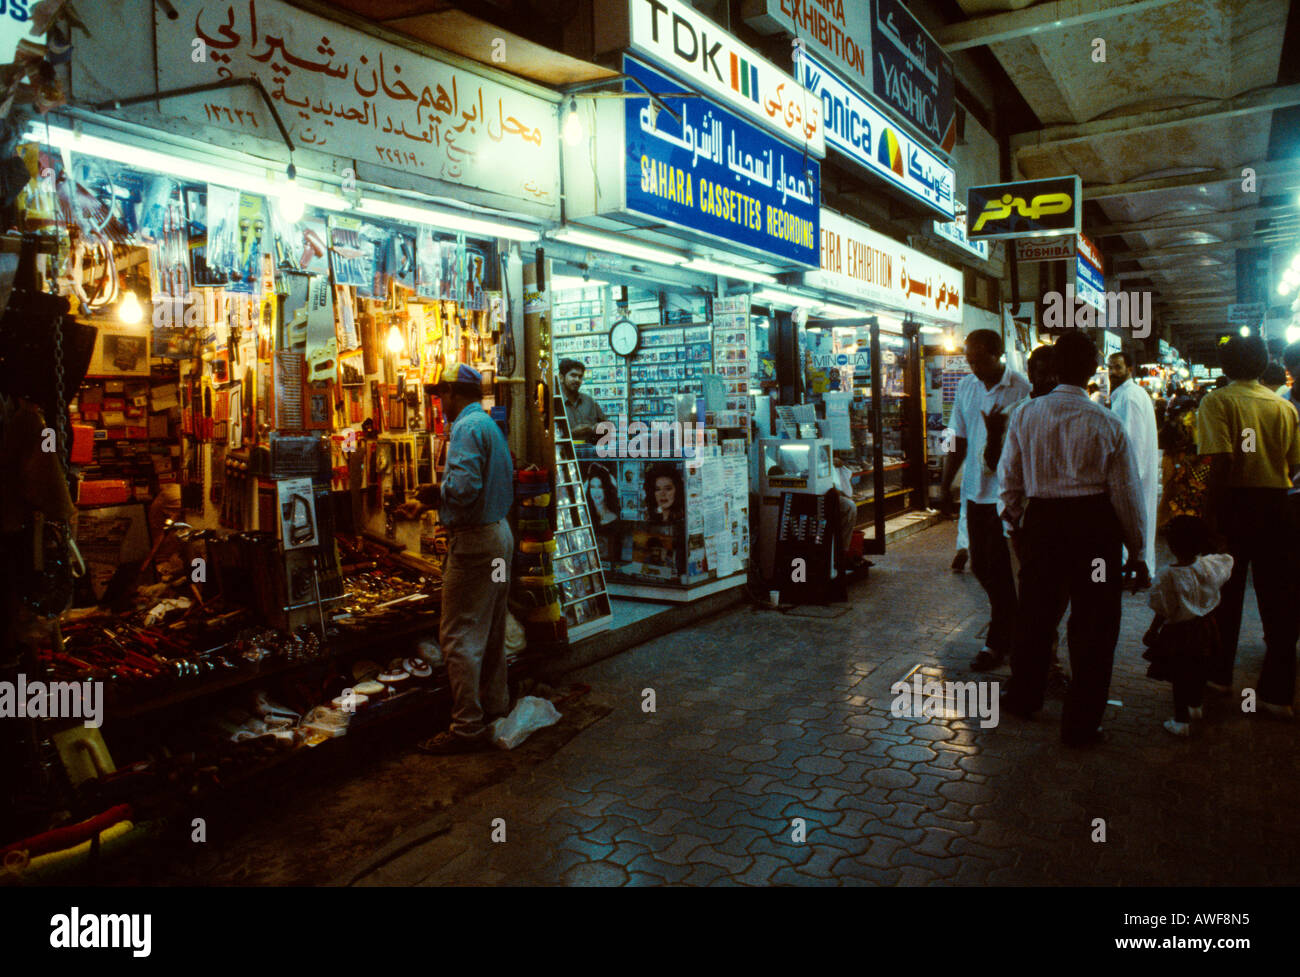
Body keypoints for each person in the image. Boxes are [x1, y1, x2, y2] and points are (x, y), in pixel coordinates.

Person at [998, 332, 1150, 747]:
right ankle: (1081, 724)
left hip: (1044, 527)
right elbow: (1126, 495)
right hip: (1094, 535)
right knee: (1095, 626)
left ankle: (1025, 698)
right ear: (1093, 369)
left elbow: (1009, 478)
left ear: (1053, 368)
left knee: (1035, 616)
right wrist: (1137, 550)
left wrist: (1015, 521)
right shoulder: (1107, 422)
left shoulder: (1026, 415)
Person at [397, 363, 514, 753]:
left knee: (459, 636)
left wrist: (438, 495)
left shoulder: (465, 428)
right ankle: (496, 708)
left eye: (440, 394)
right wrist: (436, 494)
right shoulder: (488, 425)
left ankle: (466, 728)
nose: (438, 402)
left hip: (476, 543)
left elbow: (464, 490)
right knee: (492, 631)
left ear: (452, 393)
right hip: (498, 536)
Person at [1196, 335, 1300, 716]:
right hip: (1277, 507)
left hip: (1234, 505)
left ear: (1224, 367)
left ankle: (1219, 676)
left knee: (1224, 597)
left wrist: (1210, 517)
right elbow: (1294, 463)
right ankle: (1276, 694)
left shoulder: (1217, 401)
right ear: (1263, 365)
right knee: (1281, 602)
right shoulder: (1283, 407)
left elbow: (1220, 464)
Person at [939, 329, 1031, 672]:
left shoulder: (1021, 388)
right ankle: (1007, 624)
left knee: (1003, 571)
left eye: (979, 360)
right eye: (970, 360)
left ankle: (998, 639)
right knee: (980, 566)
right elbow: (955, 439)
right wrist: (944, 483)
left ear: (998, 353)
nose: (974, 367)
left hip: (1007, 497)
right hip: (975, 493)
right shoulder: (966, 386)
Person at [1142, 516, 1233, 737]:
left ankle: (1180, 720)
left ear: (1171, 545)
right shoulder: (1208, 565)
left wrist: (1152, 630)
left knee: (1180, 675)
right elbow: (1226, 561)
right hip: (1206, 627)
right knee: (1200, 668)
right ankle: (1195, 706)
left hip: (1180, 633)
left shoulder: (1167, 575)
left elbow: (1164, 609)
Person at [1109, 352, 1160, 571]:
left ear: (1130, 368)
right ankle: (1138, 568)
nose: (1112, 372)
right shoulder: (1125, 394)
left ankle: (1137, 570)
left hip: (1132, 477)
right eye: (1110, 367)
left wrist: (1129, 480)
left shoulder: (1130, 397)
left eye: (1118, 367)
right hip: (1131, 477)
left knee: (1134, 524)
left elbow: (1133, 443)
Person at [558, 358, 609, 443]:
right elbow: (548, 436)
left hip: (588, 453)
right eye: (573, 375)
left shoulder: (589, 401)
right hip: (565, 453)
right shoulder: (555, 402)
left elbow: (609, 427)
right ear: (561, 377)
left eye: (580, 376)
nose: (577, 380)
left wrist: (596, 428)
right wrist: (572, 433)